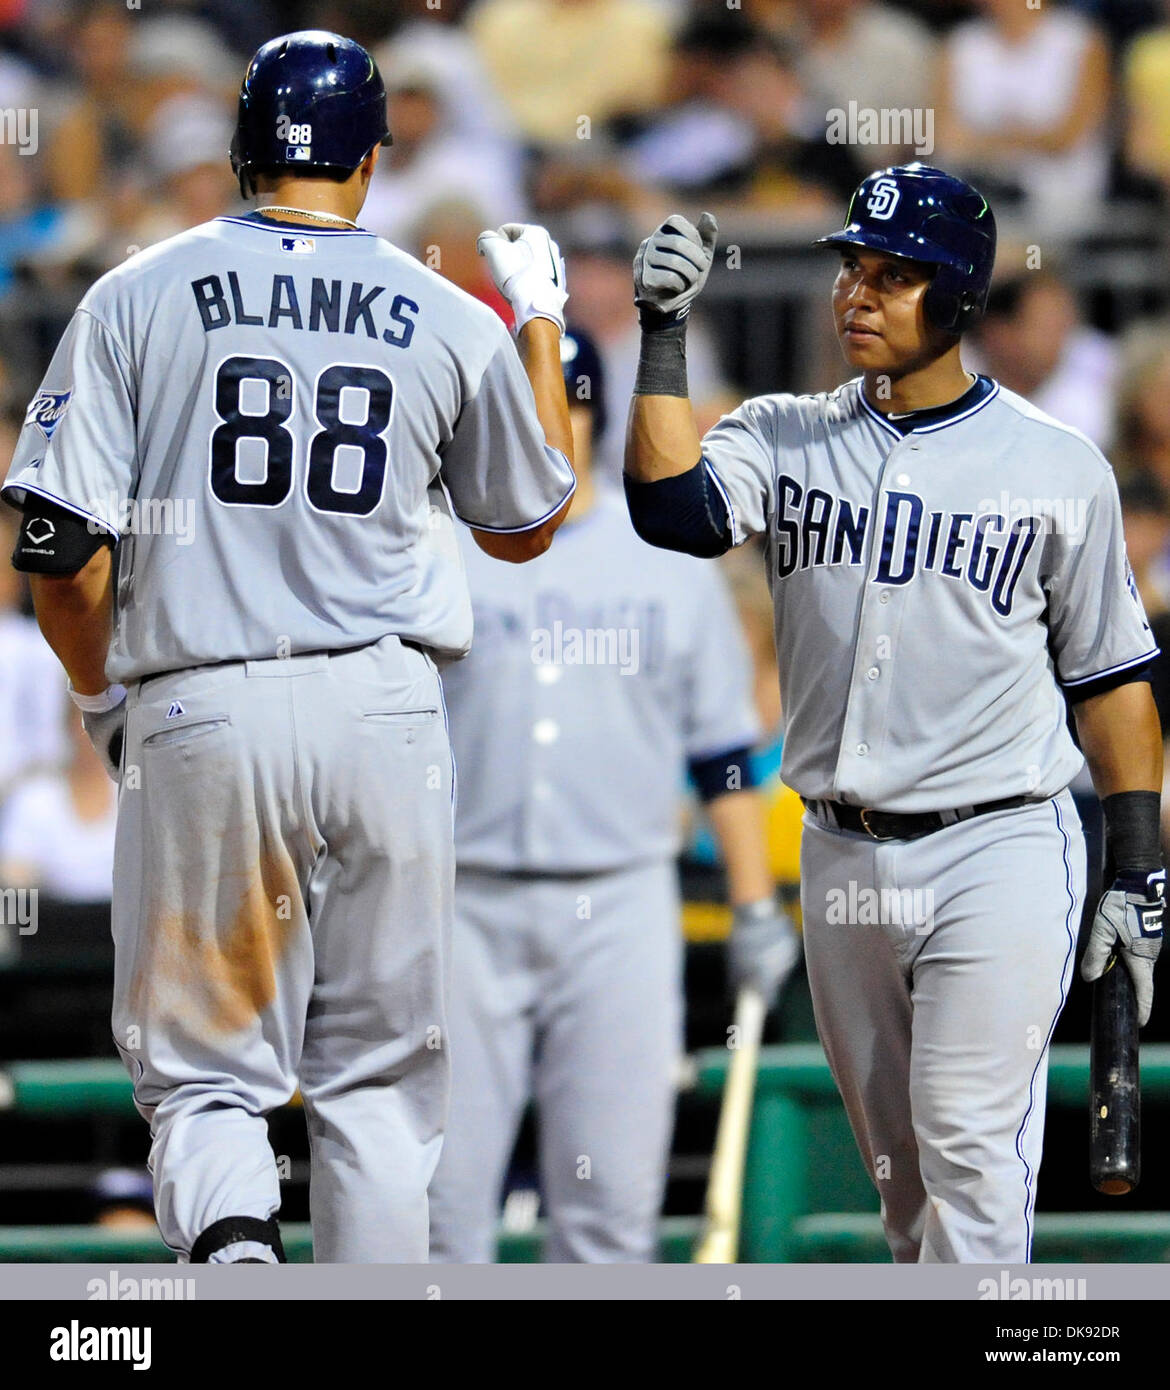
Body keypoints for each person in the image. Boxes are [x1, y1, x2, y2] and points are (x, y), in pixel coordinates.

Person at [1, 30, 576, 1265]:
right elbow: (530, 524)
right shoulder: (445, 311)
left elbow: (55, 551)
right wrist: (535, 320)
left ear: (238, 151)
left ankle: (237, 1249)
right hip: (387, 716)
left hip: (205, 708)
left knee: (208, 1074)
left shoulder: (135, 290)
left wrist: (105, 688)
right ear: (373, 157)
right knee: (377, 1085)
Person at [621, 162, 1164, 1263]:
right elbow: (672, 511)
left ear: (959, 299)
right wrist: (663, 336)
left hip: (1000, 840)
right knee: (905, 1186)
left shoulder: (1056, 463)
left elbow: (1111, 678)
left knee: (969, 1151)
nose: (858, 295)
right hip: (841, 849)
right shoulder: (783, 433)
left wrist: (1139, 858)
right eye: (852, 270)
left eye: (896, 276)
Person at [427, 326, 798, 1262]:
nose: (553, 425)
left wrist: (754, 903)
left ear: (591, 412)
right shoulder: (441, 547)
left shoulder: (665, 560)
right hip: (461, 899)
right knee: (440, 1201)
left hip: (623, 899)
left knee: (610, 1202)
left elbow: (722, 753)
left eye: (570, 404)